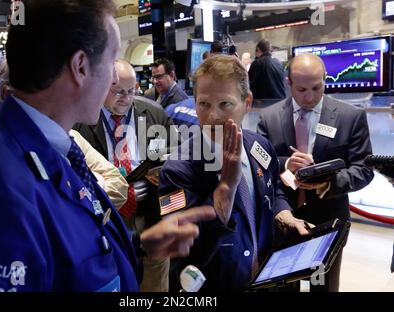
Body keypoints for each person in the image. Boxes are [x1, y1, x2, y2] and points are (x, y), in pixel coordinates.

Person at [0, 0, 216, 292]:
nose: (115, 78)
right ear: (81, 66)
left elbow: (68, 253)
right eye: (111, 60)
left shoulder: (54, 147)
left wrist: (135, 247)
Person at [158, 55, 310, 292]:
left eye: (225, 104)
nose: (212, 117)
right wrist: (226, 188)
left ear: (247, 102)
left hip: (266, 278)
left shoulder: (260, 146)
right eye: (203, 104)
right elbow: (183, 247)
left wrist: (285, 215)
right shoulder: (176, 170)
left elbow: (274, 189)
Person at [257, 53, 374, 292]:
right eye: (301, 89)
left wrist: (326, 182)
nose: (309, 97)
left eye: (316, 88)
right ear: (288, 83)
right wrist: (286, 163)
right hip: (283, 219)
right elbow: (261, 163)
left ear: (325, 80)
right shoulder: (269, 118)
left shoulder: (350, 117)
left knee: (322, 287)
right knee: (283, 287)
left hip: (328, 221)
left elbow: (363, 169)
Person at [74, 59, 174, 292]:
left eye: (132, 91)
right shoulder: (81, 120)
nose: (126, 98)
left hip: (151, 212)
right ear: (101, 86)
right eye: (118, 91)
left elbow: (176, 155)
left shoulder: (154, 114)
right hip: (109, 215)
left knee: (155, 280)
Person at [0, 60, 129, 209]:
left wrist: (85, 186)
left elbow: (119, 186)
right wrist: (92, 184)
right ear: (8, 95)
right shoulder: (1, 155)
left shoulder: (71, 138)